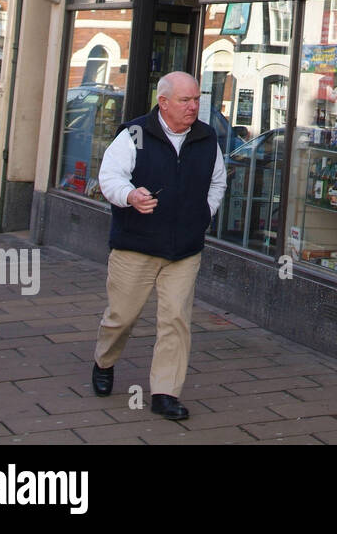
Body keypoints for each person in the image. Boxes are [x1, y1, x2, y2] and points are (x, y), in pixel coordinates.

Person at [91, 71, 225, 420]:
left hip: (184, 250)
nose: (193, 106)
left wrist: (202, 216)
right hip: (136, 244)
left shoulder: (206, 138)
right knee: (122, 316)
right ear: (163, 102)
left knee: (176, 319)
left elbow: (218, 183)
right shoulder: (134, 134)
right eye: (185, 100)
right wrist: (130, 195)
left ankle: (165, 393)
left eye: (196, 99)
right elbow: (110, 177)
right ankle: (104, 360)